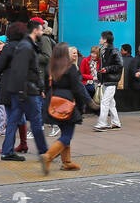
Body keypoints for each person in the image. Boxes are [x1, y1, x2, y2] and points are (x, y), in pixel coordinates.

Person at [40, 43, 98, 174]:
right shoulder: (70, 67)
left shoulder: (50, 67)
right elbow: (78, 88)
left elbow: (45, 85)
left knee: (64, 132)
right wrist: (86, 104)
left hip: (53, 103)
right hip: (67, 103)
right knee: (67, 135)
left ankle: (66, 162)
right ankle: (48, 156)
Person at [0, 21, 48, 163]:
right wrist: (24, 91)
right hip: (25, 91)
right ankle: (44, 153)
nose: (42, 33)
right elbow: (23, 71)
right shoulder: (26, 47)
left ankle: (7, 151)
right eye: (41, 30)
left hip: (21, 90)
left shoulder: (27, 45)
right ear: (35, 31)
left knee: (13, 120)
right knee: (36, 121)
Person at [94, 31, 123, 131]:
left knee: (105, 101)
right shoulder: (104, 50)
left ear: (105, 40)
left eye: (101, 38)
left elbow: (120, 65)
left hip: (111, 80)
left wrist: (107, 69)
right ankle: (116, 122)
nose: (99, 40)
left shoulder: (114, 51)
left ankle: (102, 123)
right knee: (110, 102)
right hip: (107, 79)